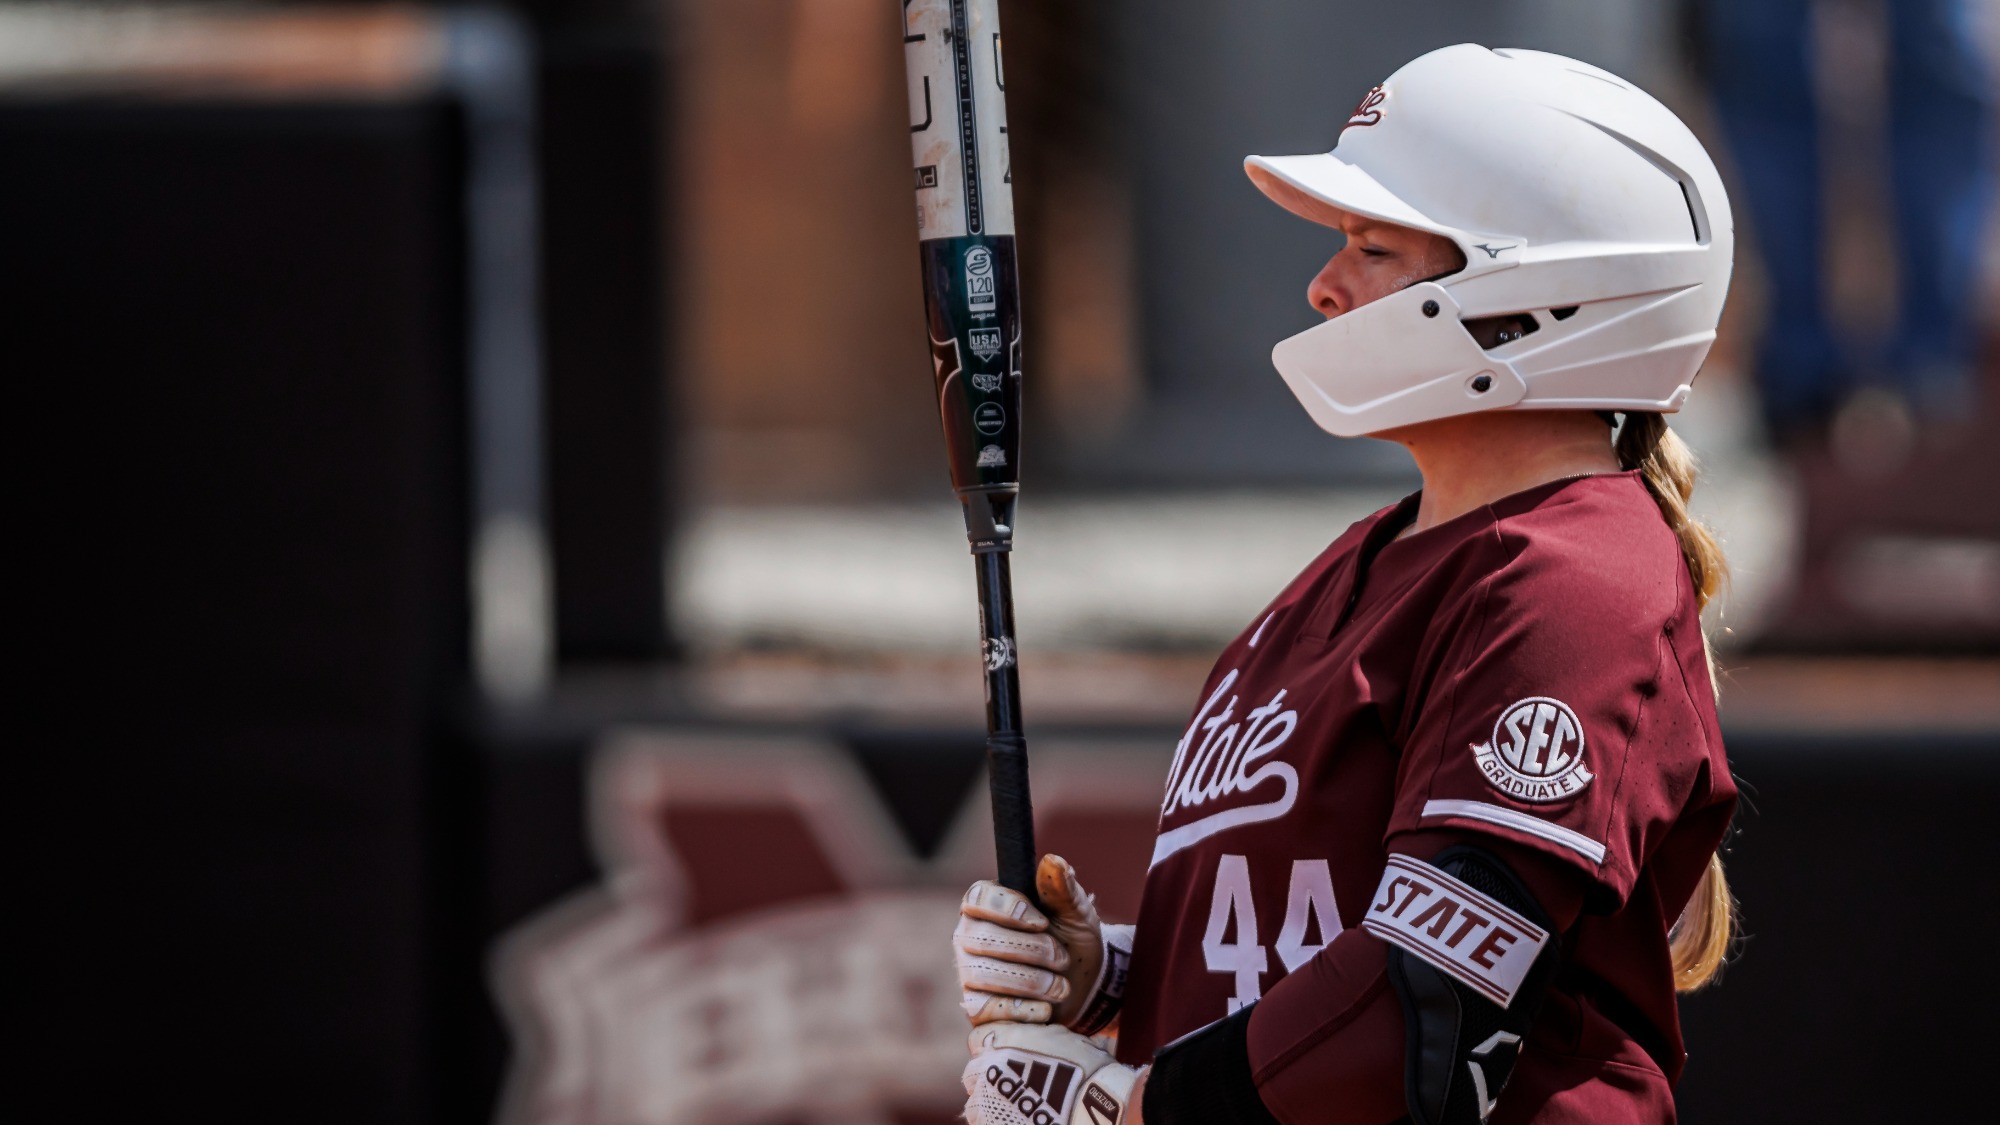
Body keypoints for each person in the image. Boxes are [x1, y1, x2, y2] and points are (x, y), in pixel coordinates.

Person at [952, 45, 1740, 1125]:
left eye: (1373, 248)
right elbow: (1327, 930)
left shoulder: (1573, 579)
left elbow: (1432, 1006)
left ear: (1537, 296)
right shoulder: (1350, 568)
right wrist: (1118, 977)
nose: (1324, 286)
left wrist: (1120, 1109)